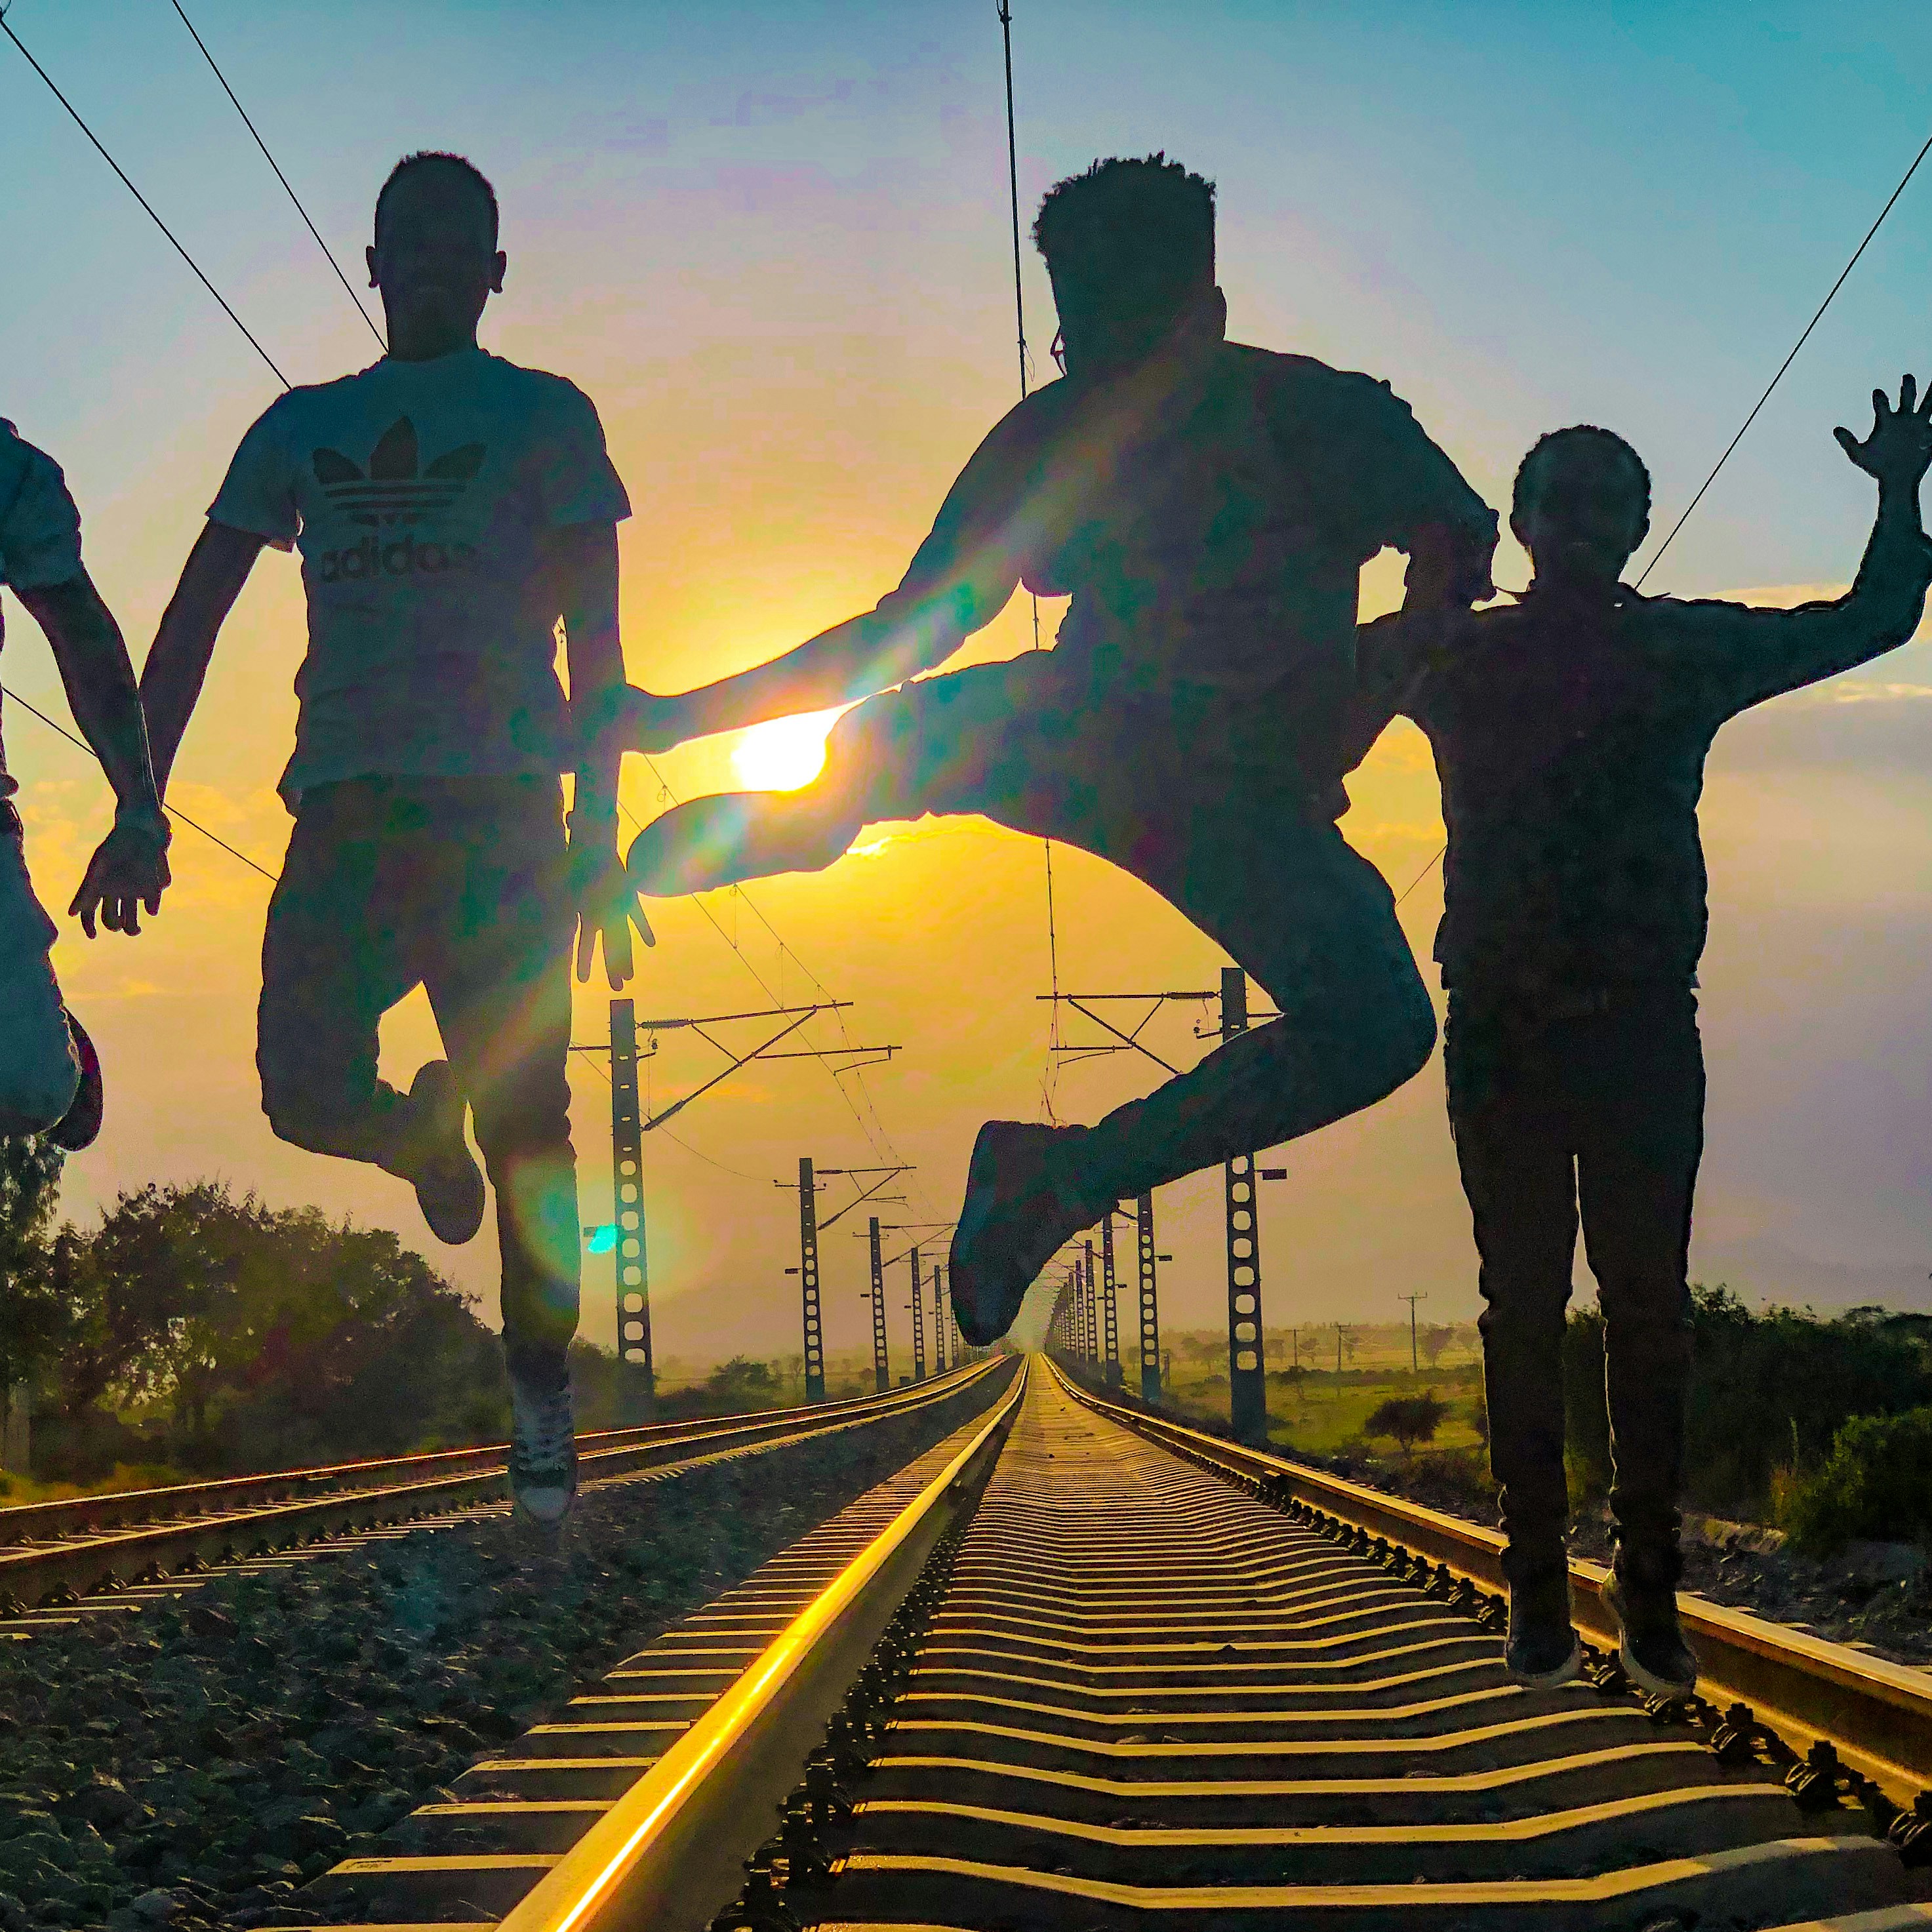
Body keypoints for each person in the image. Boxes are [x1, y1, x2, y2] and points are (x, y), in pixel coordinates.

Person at [620, 155, 1499, 1352]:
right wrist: (671, 722)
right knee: (866, 754)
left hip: (1215, 784)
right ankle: (703, 854)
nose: (1100, 381)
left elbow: (1455, 540)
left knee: (1382, 1026)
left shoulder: (1316, 412)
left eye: (1122, 346)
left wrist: (1383, 671)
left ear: (1207, 315)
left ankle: (1060, 1180)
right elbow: (905, 630)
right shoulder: (1050, 435)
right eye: (1079, 348)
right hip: (1094, 736)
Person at [1356, 380, 1932, 1698]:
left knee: (1645, 1313)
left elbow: (1873, 621)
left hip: (1630, 1034)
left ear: (1631, 527)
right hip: (1511, 1026)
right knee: (1528, 1309)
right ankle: (1545, 1595)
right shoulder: (1461, 651)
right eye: (1562, 502)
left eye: (1604, 504)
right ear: (1529, 520)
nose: (1581, 523)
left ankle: (1644, 1598)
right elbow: (1295, 680)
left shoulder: (1602, 650)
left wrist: (1902, 492)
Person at [134, 152, 651, 1527]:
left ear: (494, 272)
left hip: (502, 824)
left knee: (532, 1131)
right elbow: (191, 621)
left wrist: (601, 830)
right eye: (401, 248)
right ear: (373, 268)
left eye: (452, 249)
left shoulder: (549, 419)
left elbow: (599, 644)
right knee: (300, 1091)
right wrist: (139, 798)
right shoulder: (301, 431)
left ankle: (538, 1396)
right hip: (348, 818)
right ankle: (420, 1141)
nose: (424, 269)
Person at [1, 420, 171, 1146]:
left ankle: (51, 1040)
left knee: (30, 1089)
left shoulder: (9, 473)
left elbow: (81, 633)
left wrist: (139, 807)